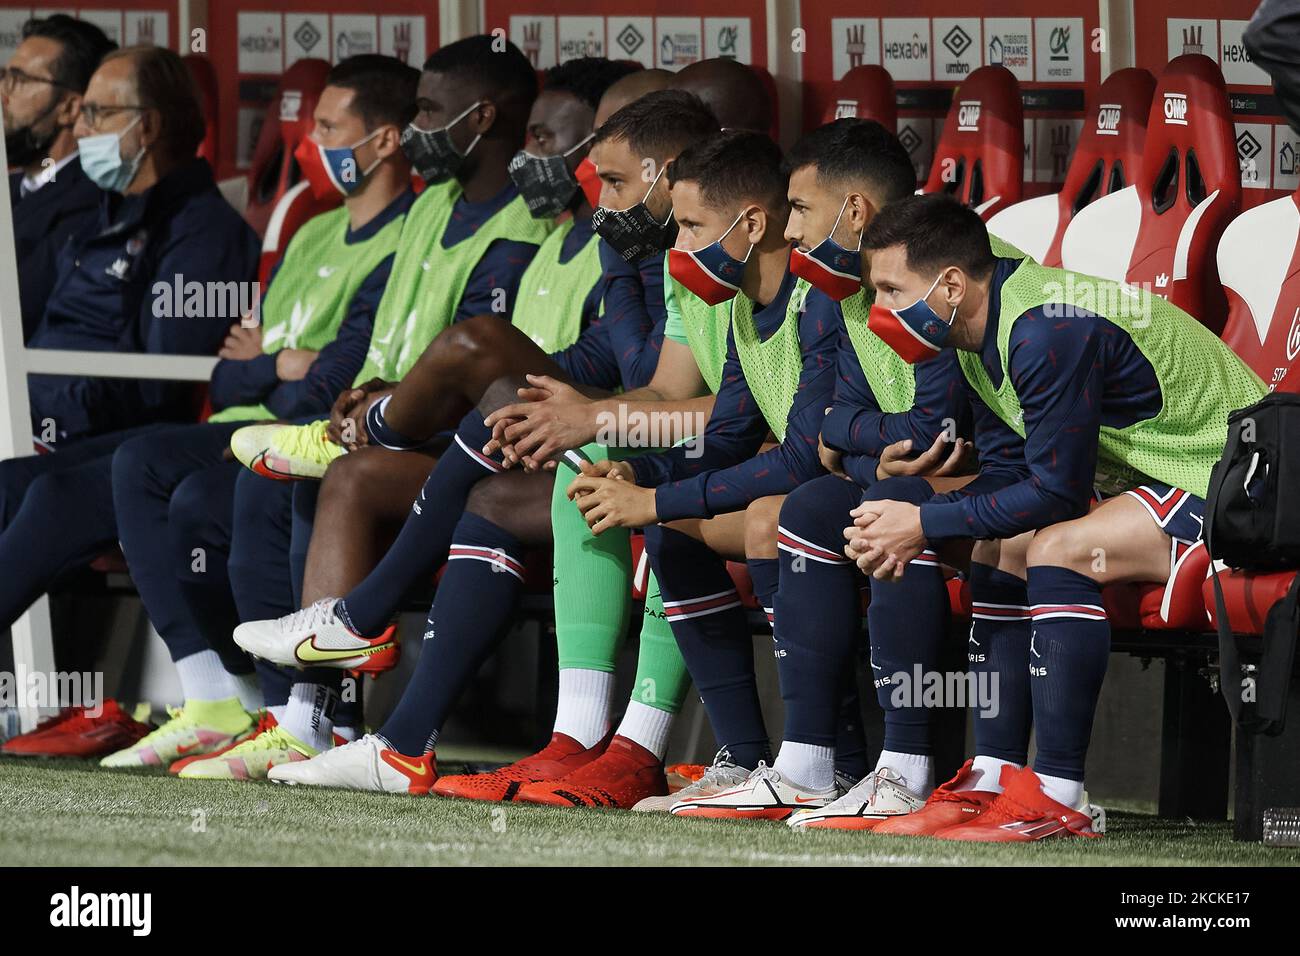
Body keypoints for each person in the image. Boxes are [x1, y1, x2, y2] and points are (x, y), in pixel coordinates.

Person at [231, 87, 722, 798]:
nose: (598, 197)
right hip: (642, 439)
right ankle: (418, 743)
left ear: (666, 172)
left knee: (519, 395)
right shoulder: (646, 248)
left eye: (612, 181)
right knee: (489, 489)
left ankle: (636, 744)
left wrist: (590, 415)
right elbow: (625, 373)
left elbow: (691, 400)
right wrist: (574, 403)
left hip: (723, 462)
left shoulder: (710, 255)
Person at [843, 193, 1266, 841]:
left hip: (1246, 482)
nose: (881, 312)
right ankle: (992, 779)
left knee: (1057, 547)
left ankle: (1057, 794)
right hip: (1174, 481)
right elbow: (1013, 471)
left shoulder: (1044, 326)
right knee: (999, 550)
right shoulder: (974, 332)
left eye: (892, 290)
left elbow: (1058, 495)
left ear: (950, 284)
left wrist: (924, 524)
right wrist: (932, 525)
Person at [89, 54, 421, 774]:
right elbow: (228, 360)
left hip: (313, 432)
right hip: (245, 419)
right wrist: (277, 362)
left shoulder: (409, 233)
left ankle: (295, 715)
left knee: (215, 491)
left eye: (331, 128)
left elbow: (337, 370)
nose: (313, 144)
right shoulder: (308, 231)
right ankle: (218, 697)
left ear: (387, 140)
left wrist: (278, 366)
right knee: (137, 467)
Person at [660, 118, 975, 823]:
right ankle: (803, 763)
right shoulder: (850, 289)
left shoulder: (940, 272)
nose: (791, 230)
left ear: (853, 212)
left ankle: (906, 770)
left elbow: (935, 432)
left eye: (799, 210)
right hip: (915, 476)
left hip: (1016, 476)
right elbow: (836, 423)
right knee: (812, 507)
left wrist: (858, 445)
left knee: (865, 500)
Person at [0, 45, 259, 647]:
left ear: (149, 125)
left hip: (120, 434)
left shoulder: (207, 233)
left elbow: (158, 380)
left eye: (97, 115)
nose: (80, 129)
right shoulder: (98, 216)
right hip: (43, 416)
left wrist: (47, 412)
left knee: (41, 492)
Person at [3, 14, 115, 339]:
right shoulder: (12, 188)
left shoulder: (94, 203)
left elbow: (22, 310)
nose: (3, 94)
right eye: (4, 77)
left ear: (70, 108)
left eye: (19, 80)